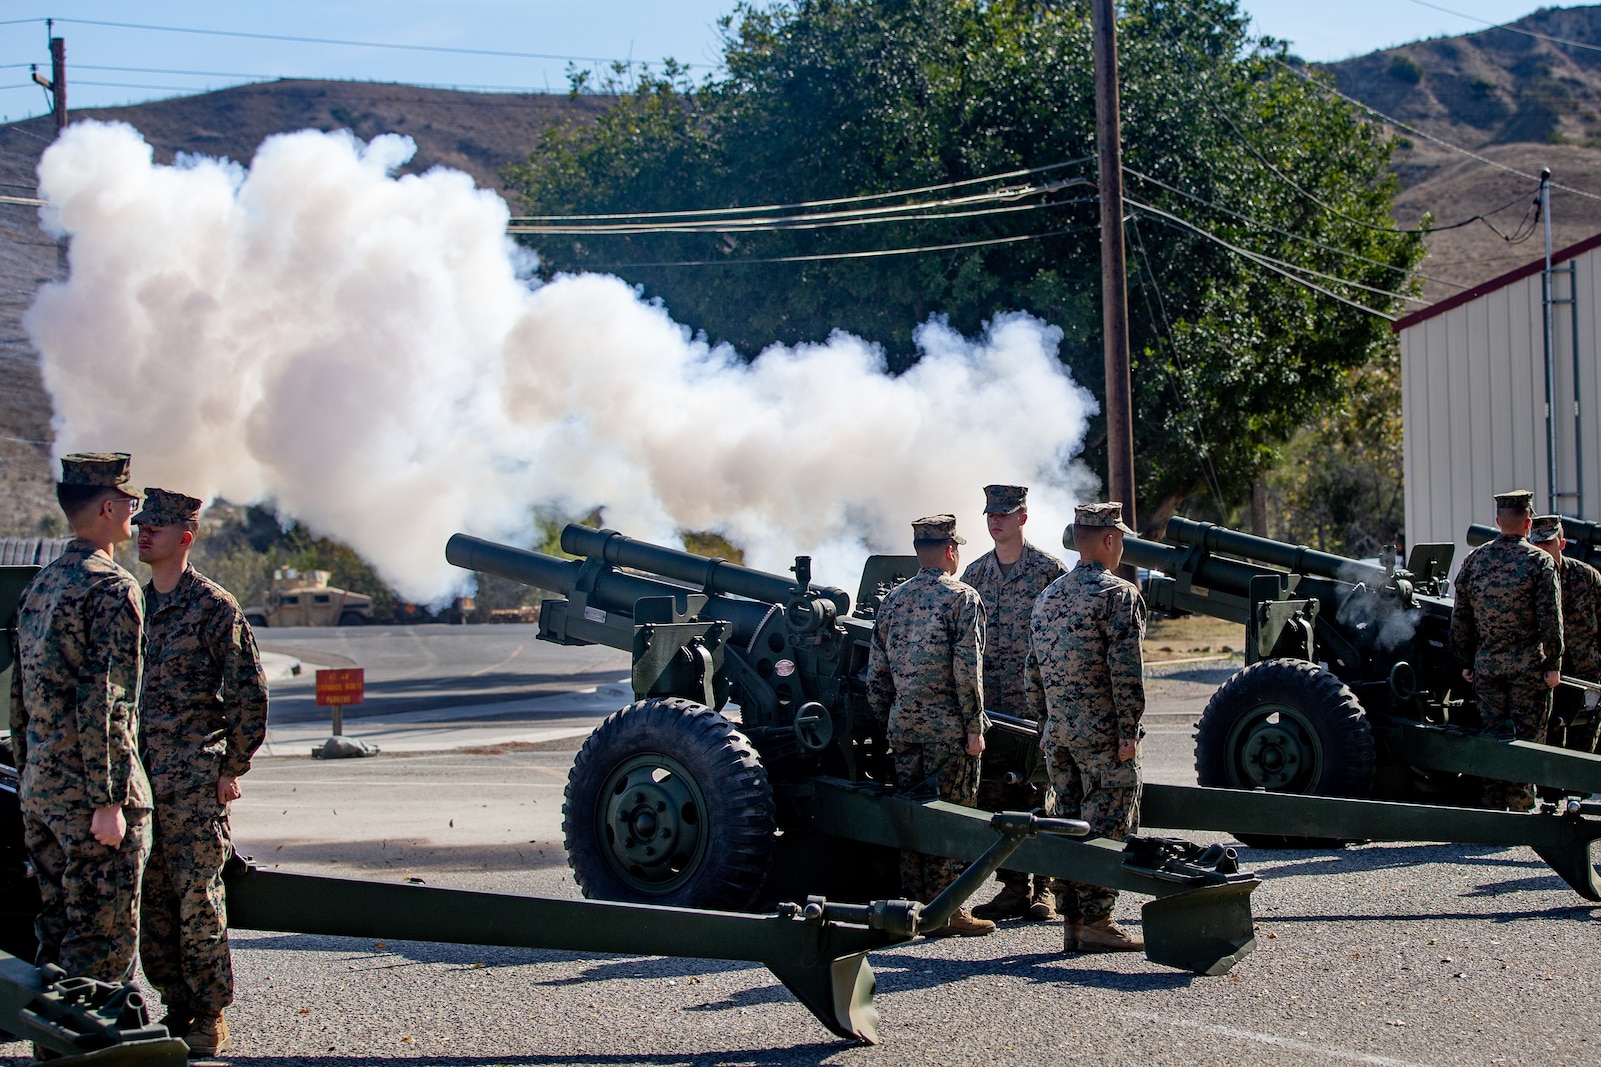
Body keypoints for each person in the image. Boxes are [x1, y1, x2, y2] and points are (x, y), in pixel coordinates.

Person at [134, 488, 269, 1057]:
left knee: (199, 902)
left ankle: (209, 1015)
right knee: (154, 904)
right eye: (140, 525)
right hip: (142, 781)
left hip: (193, 781)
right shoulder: (136, 606)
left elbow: (249, 693)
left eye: (156, 529)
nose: (143, 535)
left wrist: (231, 765)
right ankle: (175, 1007)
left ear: (184, 538)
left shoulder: (215, 607)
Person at [8, 453, 152, 984]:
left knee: (56, 932)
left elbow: (20, 696)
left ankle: (54, 1053)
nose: (135, 516)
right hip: (90, 797)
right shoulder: (112, 588)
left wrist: (28, 776)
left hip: (42, 789)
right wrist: (110, 800)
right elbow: (108, 702)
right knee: (103, 944)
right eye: (131, 505)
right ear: (109, 507)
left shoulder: (41, 586)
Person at [865, 514, 993, 937]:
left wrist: (891, 721)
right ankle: (949, 909)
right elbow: (967, 670)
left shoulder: (894, 600)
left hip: (904, 729)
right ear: (951, 551)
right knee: (952, 816)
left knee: (912, 816)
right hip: (949, 731)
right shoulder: (963, 598)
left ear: (920, 551)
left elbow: (877, 676)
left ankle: (912, 907)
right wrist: (974, 728)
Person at [1031, 502, 1146, 953]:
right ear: (1110, 540)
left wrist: (1047, 723)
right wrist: (1128, 732)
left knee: (1066, 821)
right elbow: (1126, 672)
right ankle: (1098, 921)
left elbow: (1032, 672)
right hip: (1102, 735)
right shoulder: (1118, 595)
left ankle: (1073, 922)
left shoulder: (1048, 596)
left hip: (1058, 733)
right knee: (1108, 821)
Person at [963, 484, 1067, 924]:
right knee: (995, 793)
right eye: (990, 514)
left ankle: (1044, 888)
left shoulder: (1048, 572)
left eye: (1004, 514)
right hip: (992, 707)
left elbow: (1064, 644)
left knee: (1038, 792)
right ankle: (1011, 887)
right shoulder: (975, 575)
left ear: (1022, 517)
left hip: (1032, 706)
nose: (995, 521)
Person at [1449, 490, 1562, 811]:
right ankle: (1521, 807)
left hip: (1487, 668)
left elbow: (1461, 619)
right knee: (1527, 743)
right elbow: (1550, 619)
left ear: (1498, 522)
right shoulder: (1540, 562)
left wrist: (1466, 660)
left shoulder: (1474, 561)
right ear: (1529, 523)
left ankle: (1492, 809)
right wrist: (1553, 663)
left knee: (1490, 738)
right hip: (1530, 670)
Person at [1529, 514, 1601, 752]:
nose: (1541, 549)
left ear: (1562, 543)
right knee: (1549, 744)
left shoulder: (1586, 577)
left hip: (1584, 675)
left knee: (1583, 748)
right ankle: (1550, 791)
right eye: (1536, 544)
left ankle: (1579, 791)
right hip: (1547, 675)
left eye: (1547, 543)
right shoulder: (1529, 579)